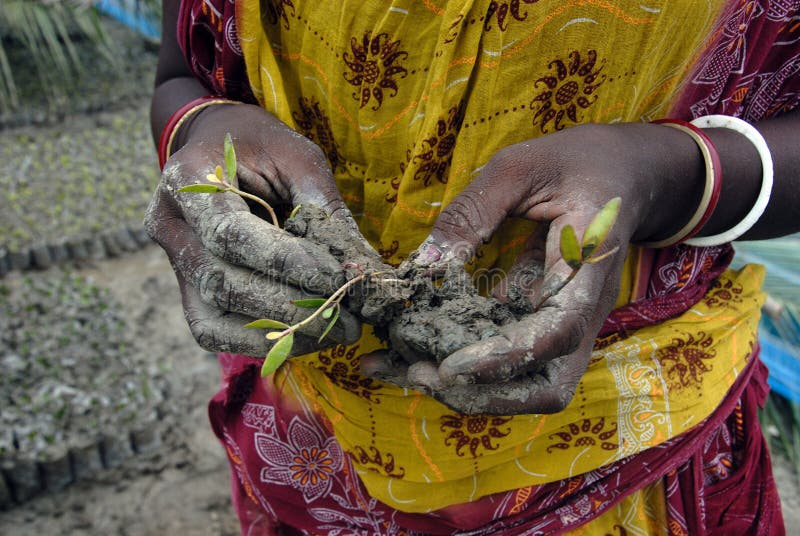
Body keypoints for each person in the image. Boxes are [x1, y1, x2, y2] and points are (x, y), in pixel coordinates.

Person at [146, 0, 800, 533]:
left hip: (624, 454)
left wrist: (667, 176)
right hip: (308, 442)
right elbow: (182, 65)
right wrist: (197, 131)